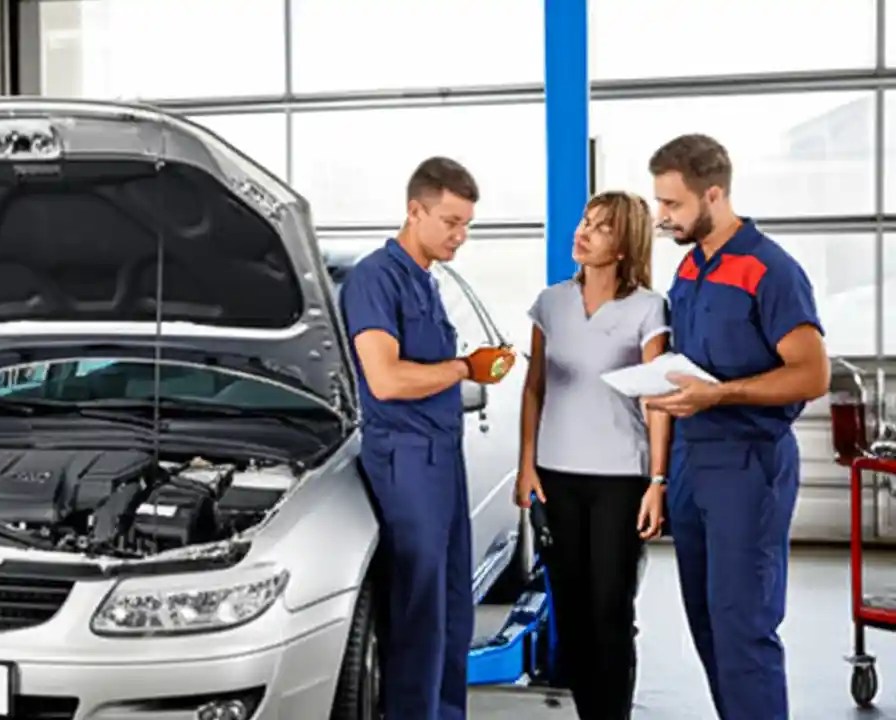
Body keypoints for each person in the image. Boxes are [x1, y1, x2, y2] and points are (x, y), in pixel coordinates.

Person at [643, 133, 830, 720]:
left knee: (742, 626)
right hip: (693, 464)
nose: (662, 217)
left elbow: (812, 373)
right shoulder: (690, 267)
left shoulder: (769, 269)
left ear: (714, 195)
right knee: (705, 622)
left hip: (748, 465)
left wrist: (720, 395)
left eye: (672, 205)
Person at [339, 156, 516, 720]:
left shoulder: (427, 282)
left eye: (466, 224)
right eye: (450, 221)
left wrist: (478, 368)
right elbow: (386, 380)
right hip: (405, 461)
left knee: (449, 609)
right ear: (414, 211)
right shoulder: (374, 279)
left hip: (442, 459)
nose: (460, 236)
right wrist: (466, 369)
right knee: (417, 610)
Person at [514, 190, 671, 719]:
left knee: (610, 610)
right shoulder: (551, 302)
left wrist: (657, 480)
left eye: (600, 227)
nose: (582, 232)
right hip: (556, 477)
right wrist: (527, 465)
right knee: (574, 614)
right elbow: (534, 387)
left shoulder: (649, 308)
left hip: (619, 481)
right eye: (585, 221)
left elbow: (657, 398)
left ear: (624, 245)